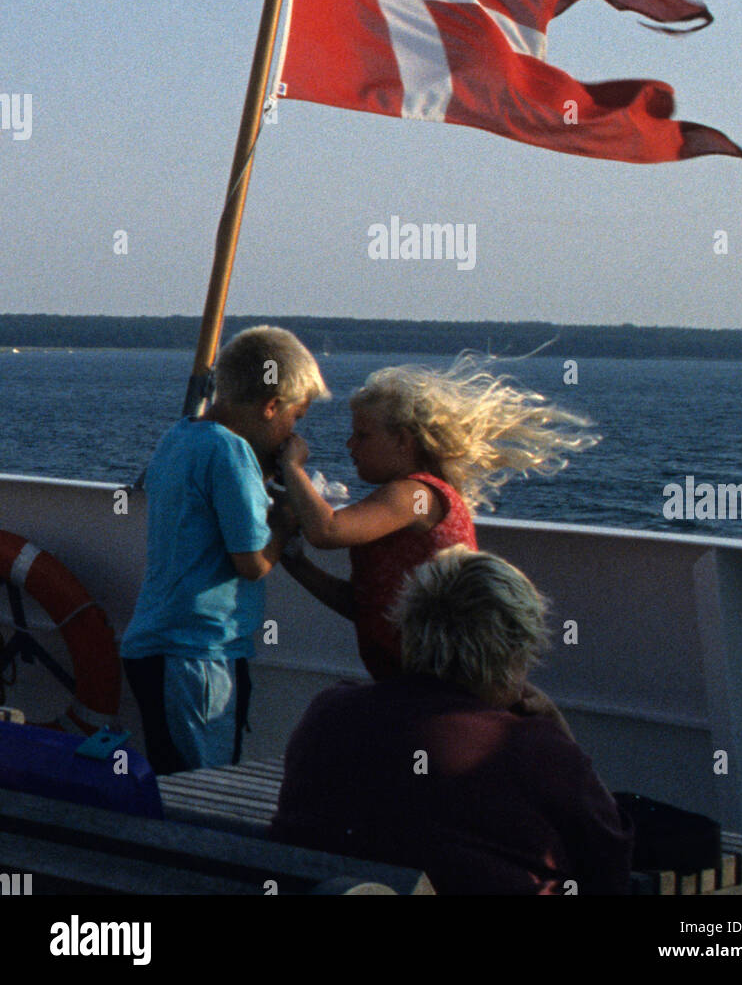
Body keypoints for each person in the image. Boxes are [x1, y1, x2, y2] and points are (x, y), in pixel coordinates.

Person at [270, 546, 632, 895]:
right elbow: (609, 867)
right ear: (511, 651)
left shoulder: (329, 713)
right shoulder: (529, 746)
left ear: (407, 629)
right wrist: (558, 733)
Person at [277, 356, 597, 680]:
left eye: (363, 435)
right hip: (424, 683)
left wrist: (292, 467)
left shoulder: (415, 497)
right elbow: (367, 605)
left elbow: (327, 531)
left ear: (403, 441)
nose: (350, 445)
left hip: (435, 686)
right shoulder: (423, 497)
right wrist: (296, 562)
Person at [121, 325, 327, 774]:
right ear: (271, 407)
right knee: (201, 788)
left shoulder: (181, 436)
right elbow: (251, 563)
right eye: (296, 418)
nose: (294, 434)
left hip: (157, 642)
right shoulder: (232, 454)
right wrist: (287, 519)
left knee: (169, 774)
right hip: (198, 654)